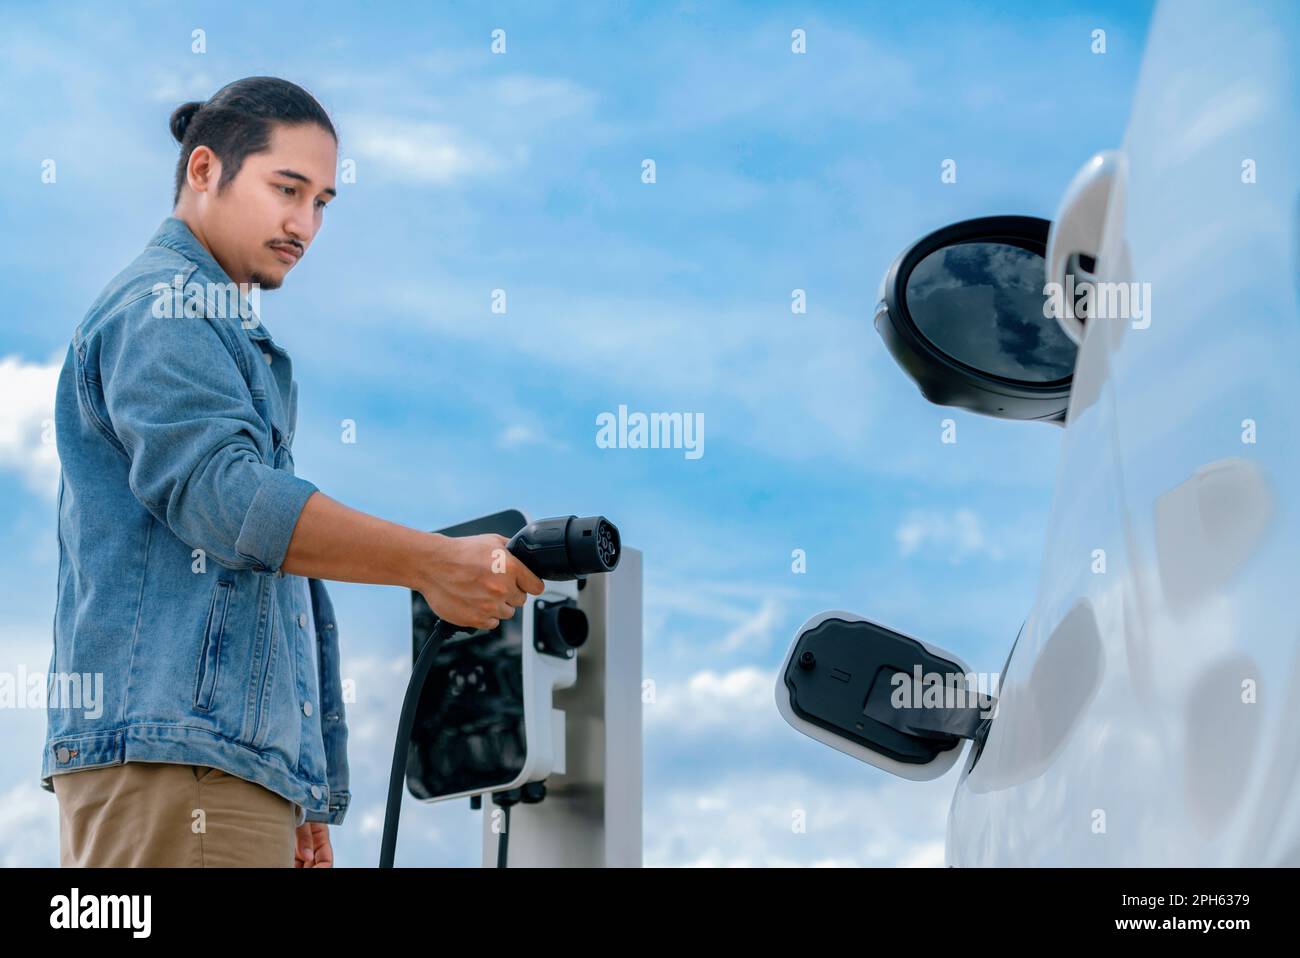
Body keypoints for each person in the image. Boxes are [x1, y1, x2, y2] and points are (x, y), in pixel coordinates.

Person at [43, 76, 544, 868]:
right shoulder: (164, 305)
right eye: (287, 189)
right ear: (204, 170)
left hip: (216, 768)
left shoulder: (213, 322)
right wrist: (431, 563)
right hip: (182, 767)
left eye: (323, 202)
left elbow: (257, 572)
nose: (305, 223)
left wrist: (297, 778)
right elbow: (227, 500)